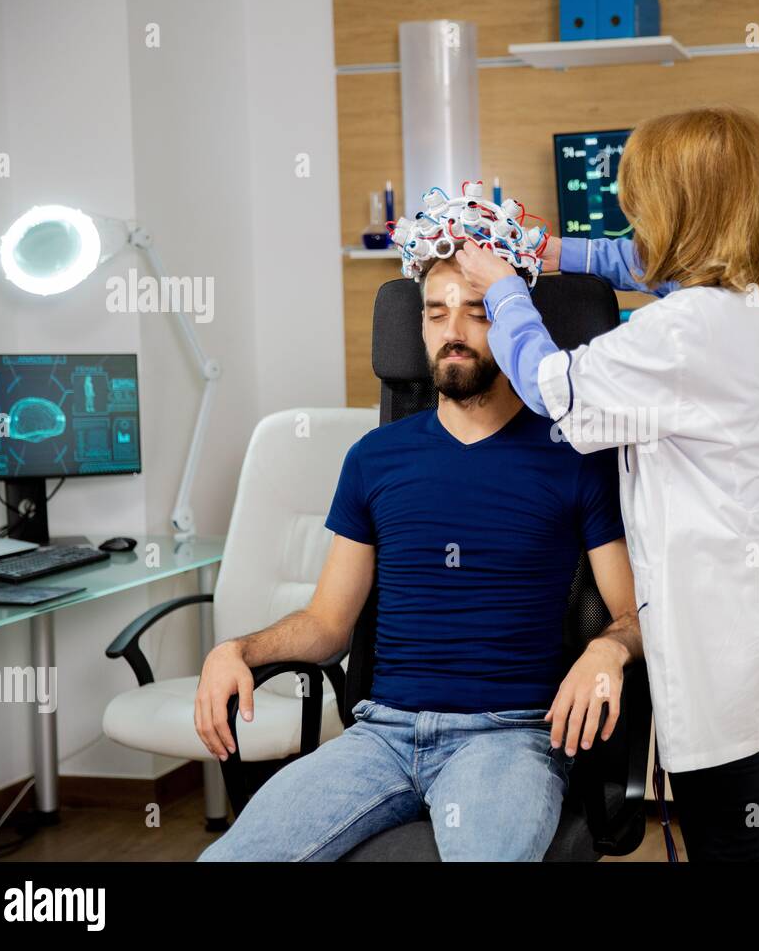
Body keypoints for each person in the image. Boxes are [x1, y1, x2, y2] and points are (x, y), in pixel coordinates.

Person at [454, 105, 759, 861]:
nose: (634, 222)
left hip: (716, 635)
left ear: (683, 211)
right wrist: (554, 251)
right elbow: (650, 266)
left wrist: (502, 288)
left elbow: (557, 388)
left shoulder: (685, 331)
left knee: (731, 841)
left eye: (643, 207)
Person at [196, 255, 640, 861]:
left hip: (507, 738)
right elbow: (328, 625)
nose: (453, 332)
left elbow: (634, 613)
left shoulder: (575, 453)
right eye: (437, 314)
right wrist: (238, 650)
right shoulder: (374, 458)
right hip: (381, 735)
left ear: (513, 324)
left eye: (478, 313)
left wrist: (608, 649)